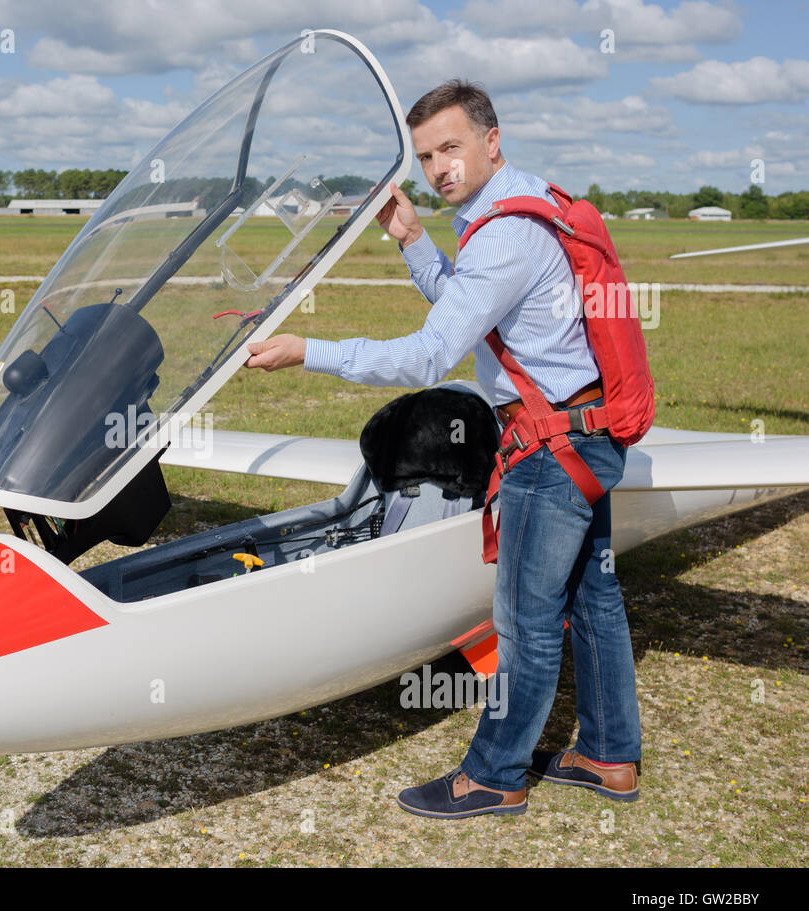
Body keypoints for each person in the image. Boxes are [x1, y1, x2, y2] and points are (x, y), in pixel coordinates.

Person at [244, 79, 642, 818]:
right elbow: (472, 314)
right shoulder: (527, 204)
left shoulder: (503, 234)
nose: (438, 170)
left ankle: (494, 773)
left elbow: (431, 356)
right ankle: (610, 754)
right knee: (594, 597)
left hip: (549, 451)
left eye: (451, 148)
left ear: (492, 140)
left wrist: (309, 349)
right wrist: (413, 240)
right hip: (587, 432)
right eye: (426, 156)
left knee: (526, 619)